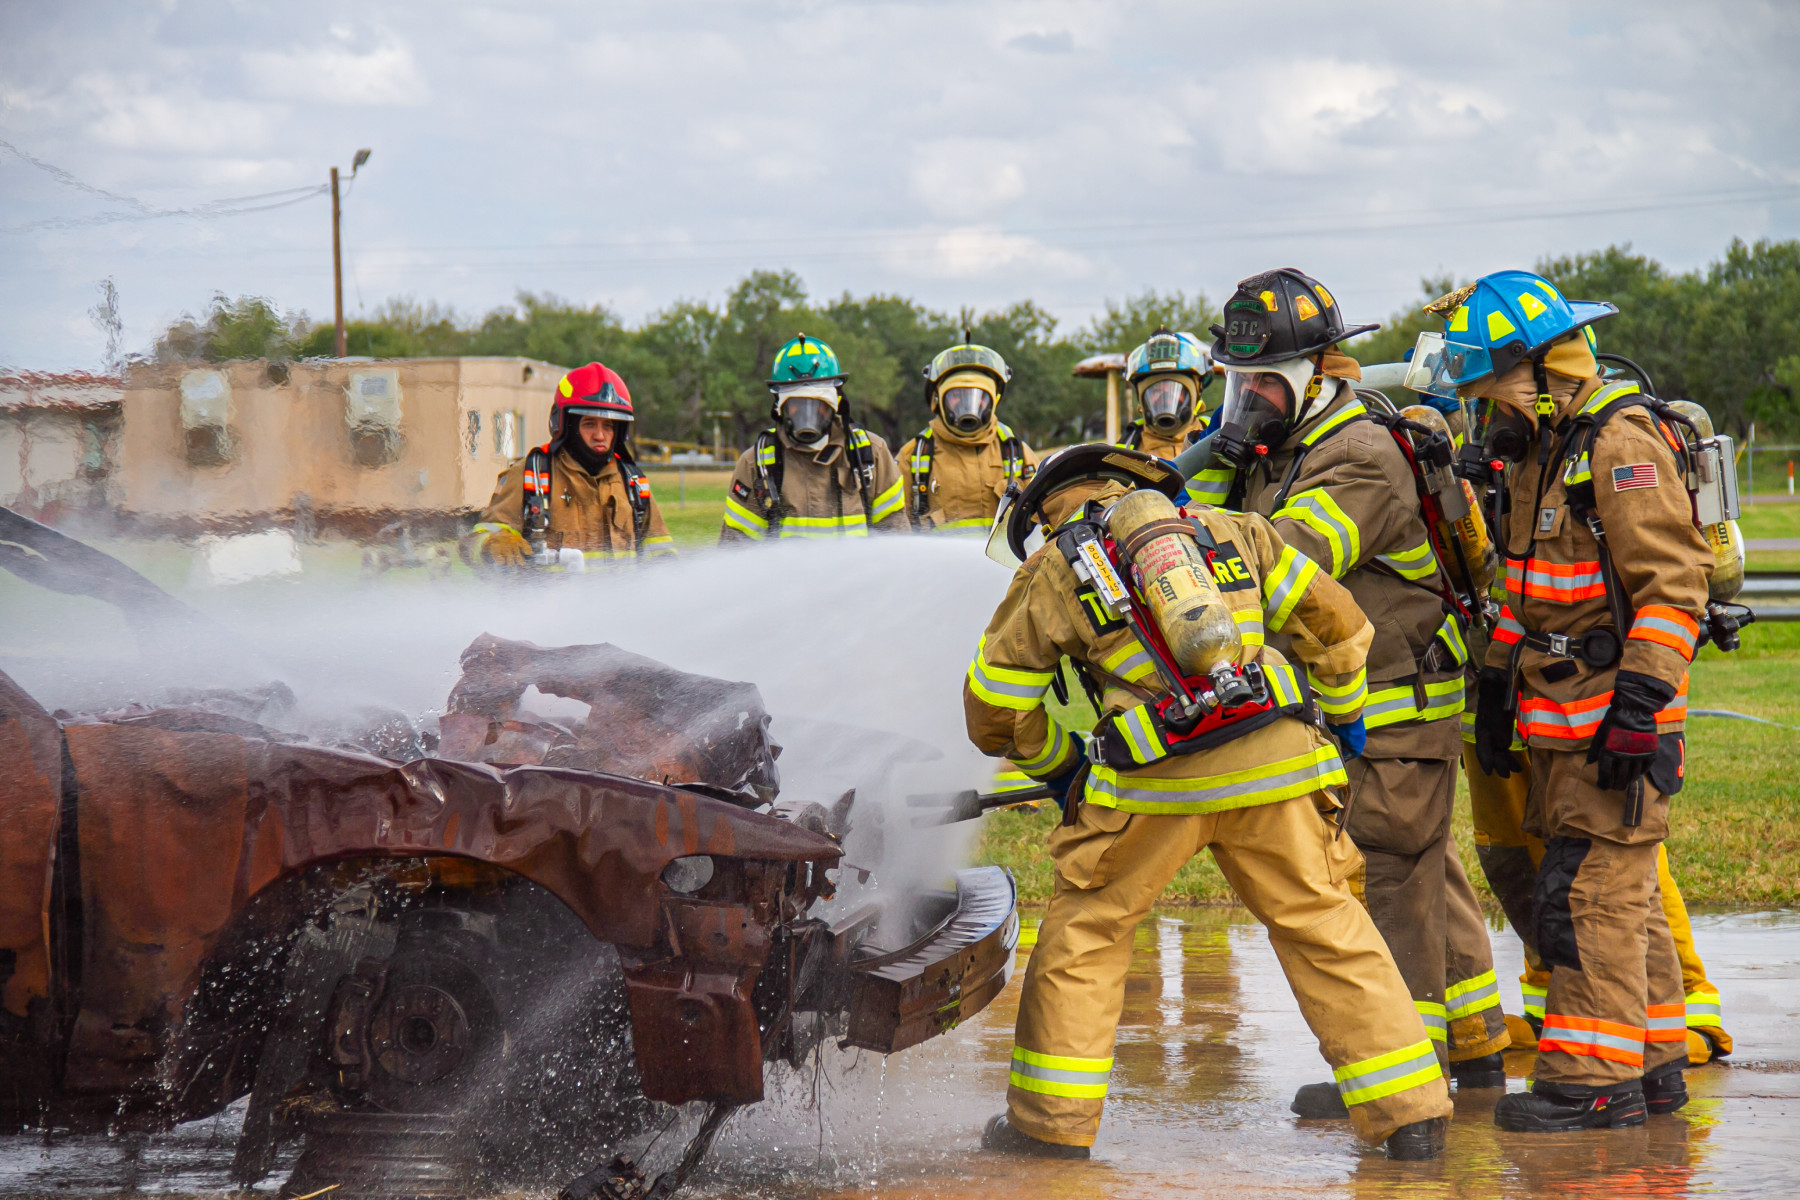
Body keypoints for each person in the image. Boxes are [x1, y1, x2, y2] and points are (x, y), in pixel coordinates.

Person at [965, 443, 1451, 1162]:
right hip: (1278, 769)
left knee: (1088, 933)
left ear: (1046, 511)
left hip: (1151, 785)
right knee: (1324, 922)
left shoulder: (1055, 569)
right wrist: (1344, 721)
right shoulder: (1235, 530)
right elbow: (1342, 627)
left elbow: (995, 711)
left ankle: (1049, 1128)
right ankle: (1411, 1115)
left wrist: (1062, 768)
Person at [1205, 268, 1508, 1110]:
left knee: (1387, 878)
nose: (1249, 400)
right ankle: (1476, 1049)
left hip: (1396, 704)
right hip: (1384, 699)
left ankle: (1401, 1070)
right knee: (1427, 868)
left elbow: (1288, 565)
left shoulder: (1359, 456)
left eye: (1265, 383)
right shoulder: (1296, 446)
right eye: (1239, 384)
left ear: (1316, 375)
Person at [1441, 269, 1708, 1131]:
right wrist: (1495, 687)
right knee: (1624, 900)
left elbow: (1674, 587)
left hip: (1614, 722)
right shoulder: (1544, 454)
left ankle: (1590, 1079)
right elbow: (1528, 595)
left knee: (1591, 896)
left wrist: (1639, 706)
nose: (1487, 414)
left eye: (1491, 393)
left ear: (1538, 371)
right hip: (1558, 721)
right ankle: (1655, 1064)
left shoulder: (1618, 445)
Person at [463, 361, 674, 569]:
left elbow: (660, 552)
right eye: (589, 424)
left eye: (608, 425)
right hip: (549, 594)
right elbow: (472, 546)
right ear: (566, 425)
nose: (600, 435)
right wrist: (493, 543)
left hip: (622, 595)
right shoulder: (531, 475)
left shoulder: (632, 482)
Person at [720, 334, 906, 542]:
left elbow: (896, 538)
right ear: (780, 406)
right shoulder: (757, 464)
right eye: (796, 404)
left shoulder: (870, 453)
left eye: (818, 404)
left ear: (836, 402)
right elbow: (737, 547)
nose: (808, 415)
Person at [897, 342, 1038, 531]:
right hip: (936, 552)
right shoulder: (913, 456)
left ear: (994, 400)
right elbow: (896, 526)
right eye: (957, 395)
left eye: (979, 396)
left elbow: (1043, 518)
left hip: (1000, 553)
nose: (967, 405)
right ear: (938, 400)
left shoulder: (1016, 452)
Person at [1117, 327, 1212, 460]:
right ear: (1141, 400)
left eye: (1174, 390)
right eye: (1156, 390)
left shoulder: (1218, 439)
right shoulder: (1120, 454)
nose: (1166, 398)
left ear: (1196, 392)